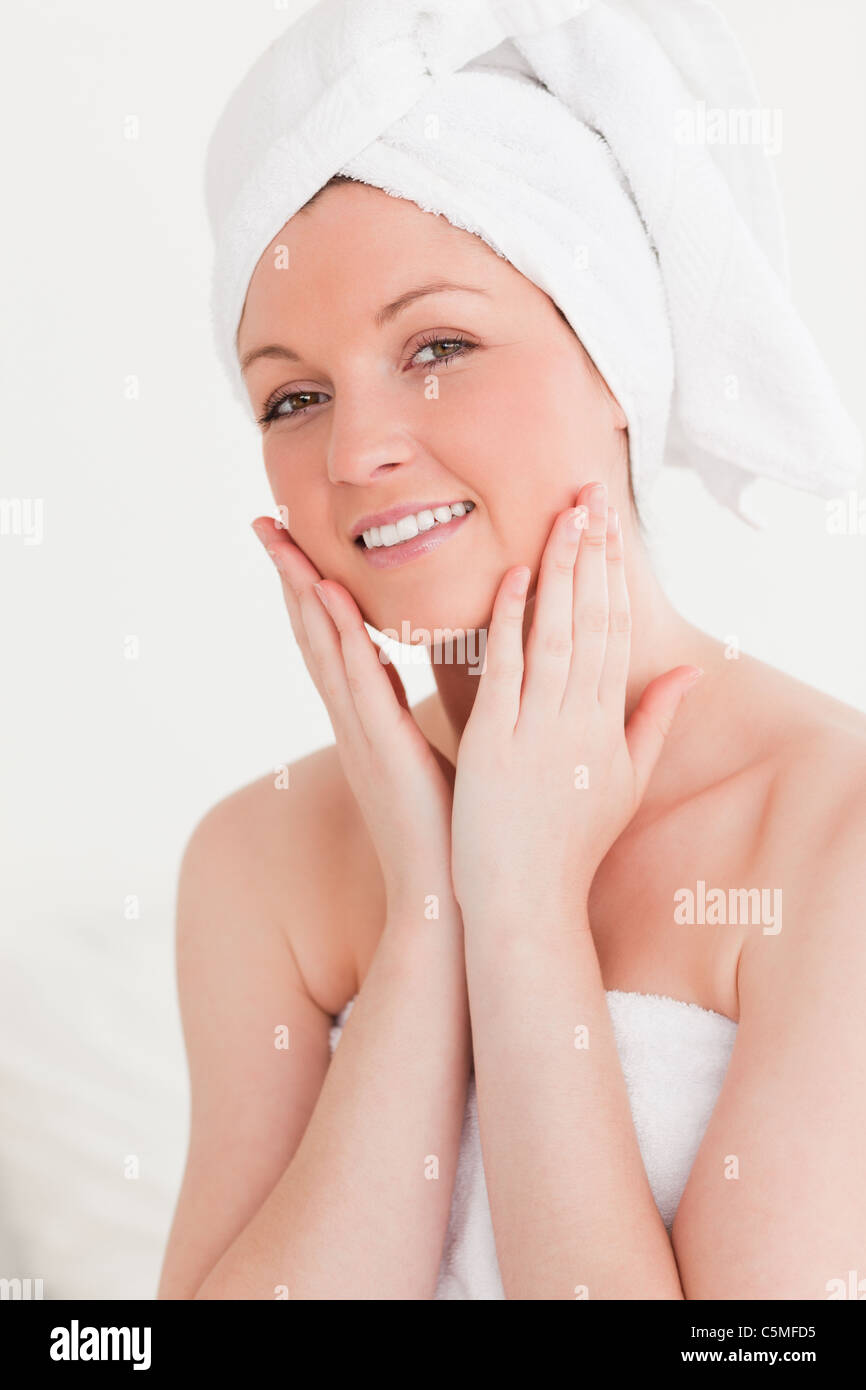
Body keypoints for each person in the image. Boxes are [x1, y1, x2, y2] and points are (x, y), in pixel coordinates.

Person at [157, 2, 866, 1301]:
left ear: (617, 357)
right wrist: (432, 906)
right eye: (292, 394)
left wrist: (526, 911)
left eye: (437, 346)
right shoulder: (253, 858)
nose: (354, 449)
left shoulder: (832, 824)